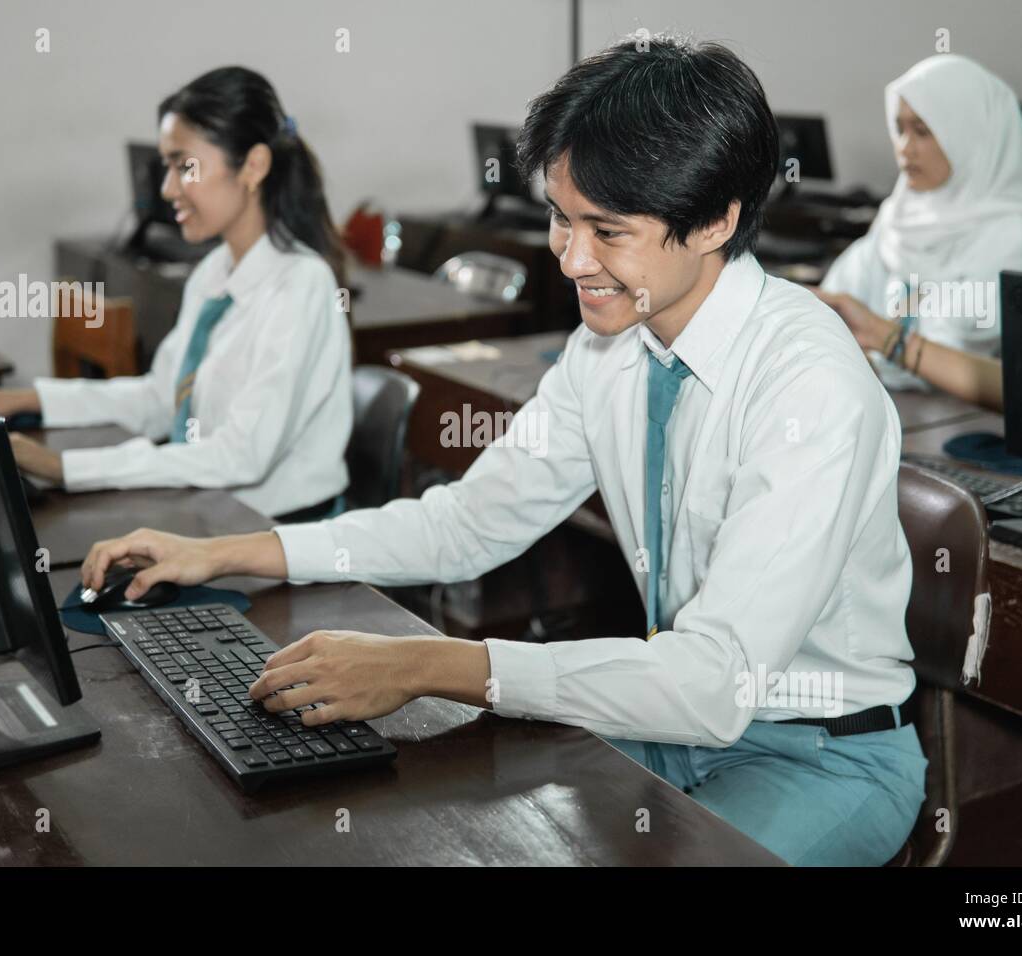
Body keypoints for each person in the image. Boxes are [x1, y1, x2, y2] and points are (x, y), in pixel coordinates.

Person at [80, 35, 927, 866]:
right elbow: (466, 525)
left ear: (715, 221)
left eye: (607, 230)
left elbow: (714, 684)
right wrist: (228, 552)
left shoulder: (806, 384)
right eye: (561, 219)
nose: (571, 257)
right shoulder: (612, 347)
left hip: (819, 754)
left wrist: (433, 663)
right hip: (662, 720)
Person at [0, 67, 352, 521]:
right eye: (166, 166)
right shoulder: (214, 271)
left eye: (184, 165)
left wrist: (66, 468)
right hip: (211, 510)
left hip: (276, 536)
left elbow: (240, 456)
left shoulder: (301, 286)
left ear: (253, 166)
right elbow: (159, 399)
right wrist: (24, 400)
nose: (168, 188)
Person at [814, 54, 1022, 412]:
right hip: (897, 413)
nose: (904, 147)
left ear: (968, 134)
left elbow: (961, 344)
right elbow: (836, 300)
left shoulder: (1013, 236)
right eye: (900, 129)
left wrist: (874, 343)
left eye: (923, 131)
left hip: (975, 430)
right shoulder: (899, 215)